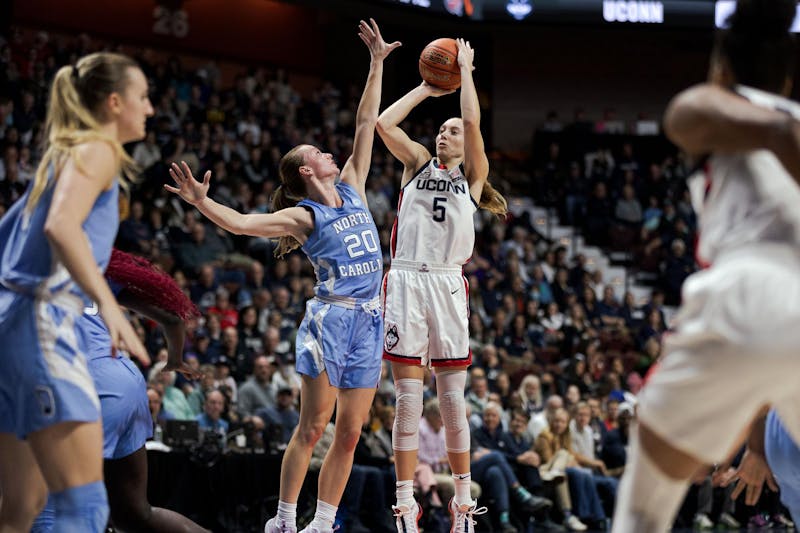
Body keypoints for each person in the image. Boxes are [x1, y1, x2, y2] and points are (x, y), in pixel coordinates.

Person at [166, 19, 399, 533]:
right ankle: (285, 519)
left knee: (351, 432)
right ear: (306, 172)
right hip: (331, 321)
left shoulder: (354, 186)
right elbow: (241, 224)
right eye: (318, 152)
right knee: (313, 426)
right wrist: (203, 203)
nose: (328, 152)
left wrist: (377, 63)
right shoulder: (303, 216)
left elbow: (366, 122)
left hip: (370, 319)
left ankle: (323, 523)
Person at [612, 1, 800, 531]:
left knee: (647, 499)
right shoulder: (778, 117)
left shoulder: (713, 103)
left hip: (743, 295)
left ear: (720, 67)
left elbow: (684, 114)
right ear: (788, 74)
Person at [0, 52, 152, 532]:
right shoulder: (98, 149)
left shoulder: (60, 158)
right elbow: (61, 226)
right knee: (84, 509)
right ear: (114, 103)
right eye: (143, 97)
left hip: (13, 329)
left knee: (20, 507)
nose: (150, 108)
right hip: (42, 323)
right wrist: (109, 305)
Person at [376, 37, 507, 533]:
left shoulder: (472, 176)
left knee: (452, 401)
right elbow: (383, 124)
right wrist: (426, 90)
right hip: (406, 278)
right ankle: (405, 503)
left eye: (451, 131)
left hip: (448, 283)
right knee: (408, 399)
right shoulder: (414, 164)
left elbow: (472, 123)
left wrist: (466, 73)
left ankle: (462, 503)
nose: (443, 135)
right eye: (440, 130)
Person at [32, 249, 207, 532]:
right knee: (133, 513)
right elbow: (173, 319)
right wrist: (175, 359)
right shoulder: (88, 270)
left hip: (84, 390)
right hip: (125, 381)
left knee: (45, 509)